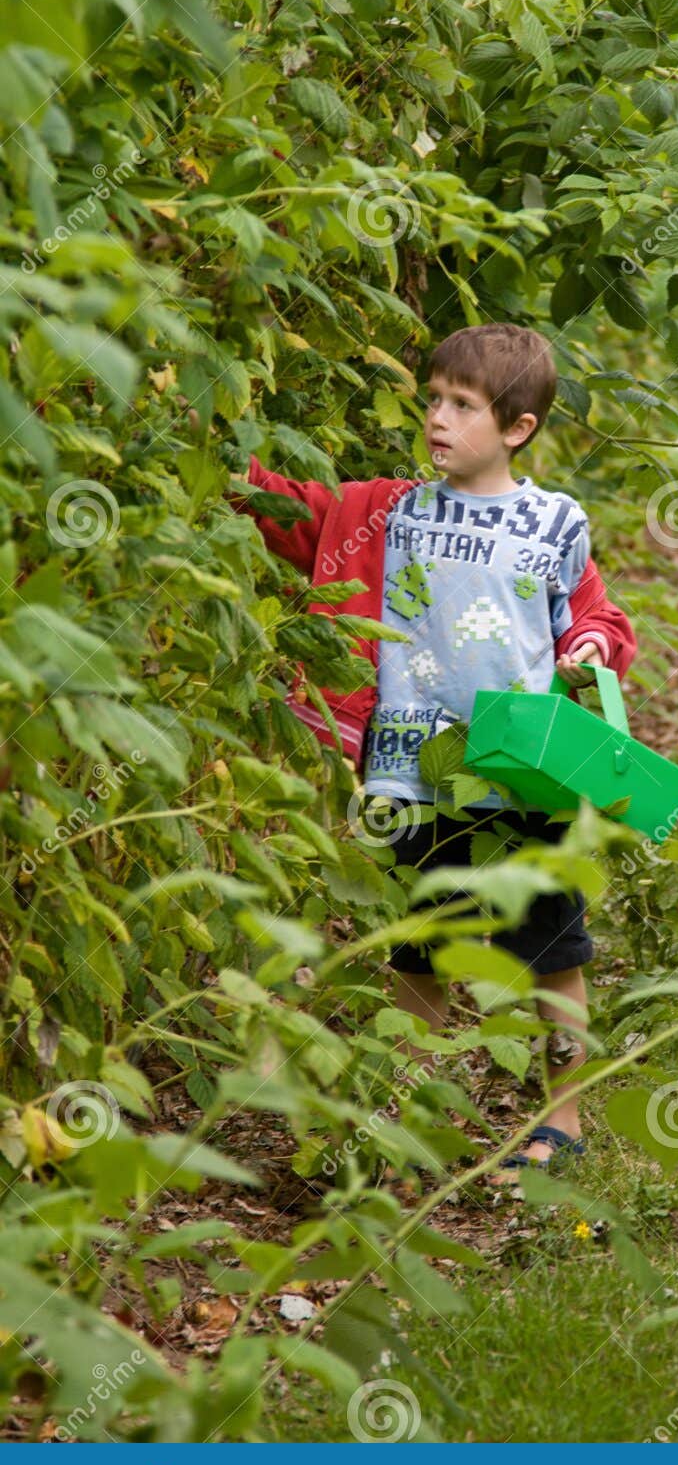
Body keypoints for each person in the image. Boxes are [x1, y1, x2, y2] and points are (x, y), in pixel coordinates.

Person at [233, 323, 637, 1186]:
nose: (438, 420)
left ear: (517, 429)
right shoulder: (391, 512)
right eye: (433, 400)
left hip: (524, 776)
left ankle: (558, 1119)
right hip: (413, 773)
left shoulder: (550, 523)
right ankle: (400, 1118)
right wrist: (224, 462)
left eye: (462, 405)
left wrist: (591, 649)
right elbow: (294, 510)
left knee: (549, 952)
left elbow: (598, 617)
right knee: (419, 950)